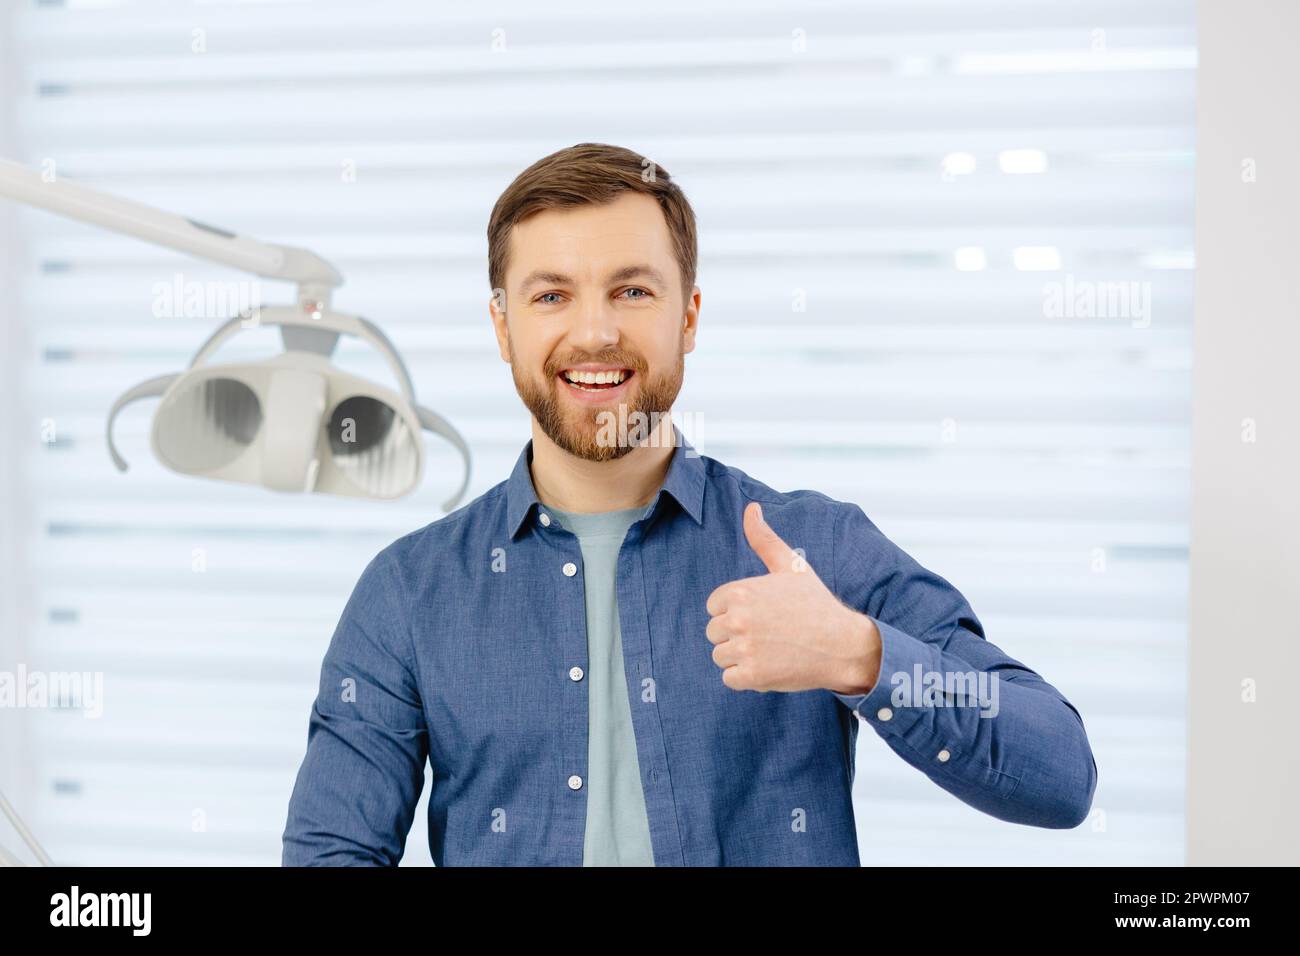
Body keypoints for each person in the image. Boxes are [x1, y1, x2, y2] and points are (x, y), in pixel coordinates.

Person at [282, 142, 1097, 866]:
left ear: (690, 317)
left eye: (632, 291)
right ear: (502, 329)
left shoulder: (811, 547)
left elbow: (1060, 772)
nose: (594, 332)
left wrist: (859, 654)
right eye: (551, 296)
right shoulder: (408, 594)